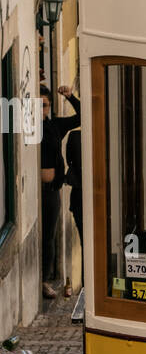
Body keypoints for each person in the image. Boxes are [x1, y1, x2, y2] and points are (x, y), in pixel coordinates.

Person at [39, 85, 80, 299]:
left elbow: (81, 116)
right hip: (33, 192)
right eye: (35, 105)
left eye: (44, 105)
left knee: (48, 236)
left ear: (49, 106)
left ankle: (44, 281)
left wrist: (70, 96)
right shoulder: (25, 125)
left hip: (50, 191)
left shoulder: (54, 126)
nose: (40, 110)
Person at [64, 128, 84, 252]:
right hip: (81, 196)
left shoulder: (74, 136)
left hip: (78, 195)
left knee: (84, 242)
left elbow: (68, 158)